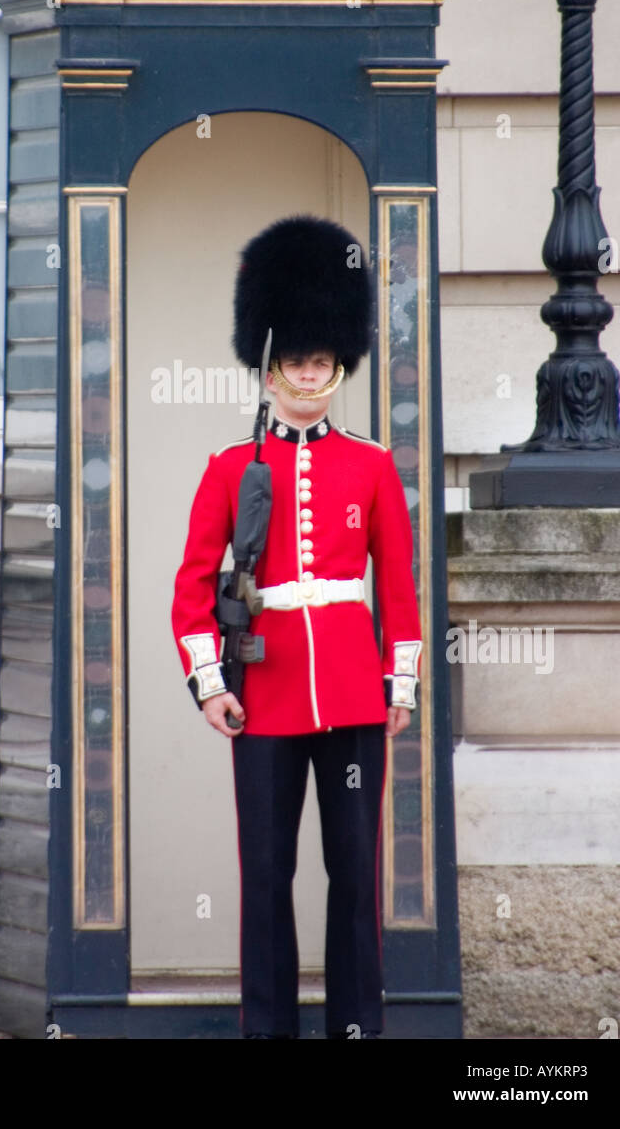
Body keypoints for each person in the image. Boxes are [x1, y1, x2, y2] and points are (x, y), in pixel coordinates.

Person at [171, 214, 422, 1039]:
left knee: (353, 877)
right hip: (266, 695)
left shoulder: (373, 465)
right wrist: (211, 686)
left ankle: (357, 1028)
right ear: (269, 364)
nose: (310, 375)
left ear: (338, 363)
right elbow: (192, 585)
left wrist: (403, 683)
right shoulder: (229, 469)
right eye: (296, 361)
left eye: (322, 361)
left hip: (352, 695)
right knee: (266, 876)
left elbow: (400, 588)